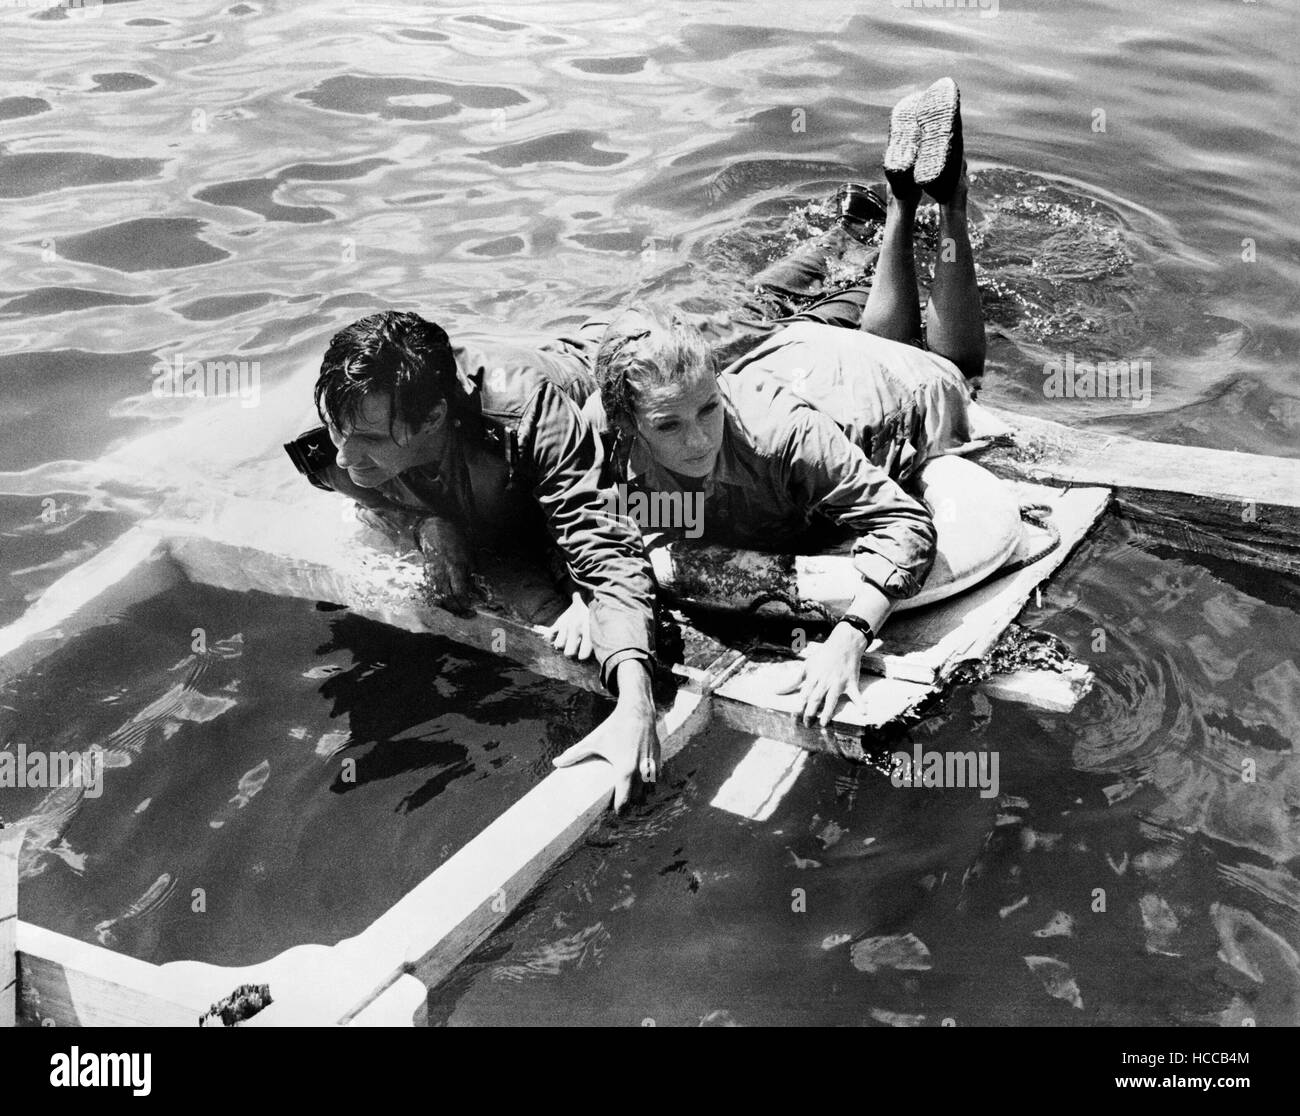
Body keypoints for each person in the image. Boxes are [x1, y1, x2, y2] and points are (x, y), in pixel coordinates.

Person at [585, 77, 984, 727]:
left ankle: (947, 203)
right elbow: (564, 513)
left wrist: (850, 635)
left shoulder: (779, 440)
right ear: (625, 423)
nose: (698, 439)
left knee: (953, 367)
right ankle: (899, 203)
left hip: (882, 395)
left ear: (715, 383)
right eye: (670, 423)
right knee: (867, 337)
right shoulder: (605, 443)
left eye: (706, 409)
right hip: (799, 355)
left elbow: (907, 527)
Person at [288, 312, 659, 810]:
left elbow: (602, 536)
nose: (347, 457)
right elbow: (372, 493)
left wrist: (636, 702)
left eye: (373, 441)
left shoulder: (528, 412)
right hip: (496, 477)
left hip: (604, 363)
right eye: (338, 430)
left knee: (756, 315)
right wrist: (424, 526)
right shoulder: (346, 442)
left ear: (435, 419)